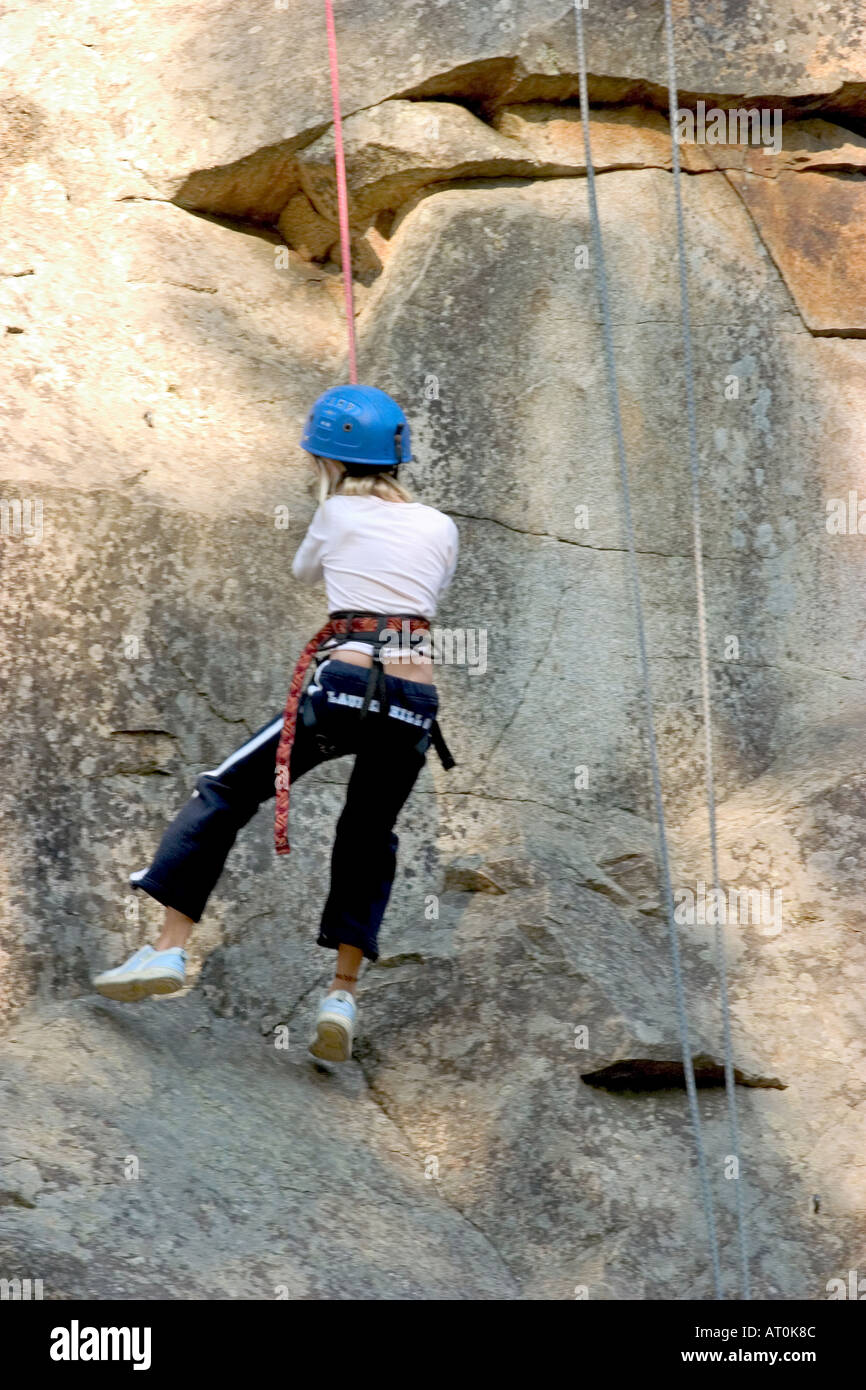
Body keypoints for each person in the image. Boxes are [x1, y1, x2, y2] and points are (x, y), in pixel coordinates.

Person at [93, 385, 459, 1062]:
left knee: (225, 791)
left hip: (343, 688)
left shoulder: (335, 515)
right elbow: (424, 588)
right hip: (412, 705)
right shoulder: (440, 525)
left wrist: (334, 502)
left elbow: (305, 570)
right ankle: (342, 995)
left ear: (326, 458)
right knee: (367, 836)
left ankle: (169, 950)